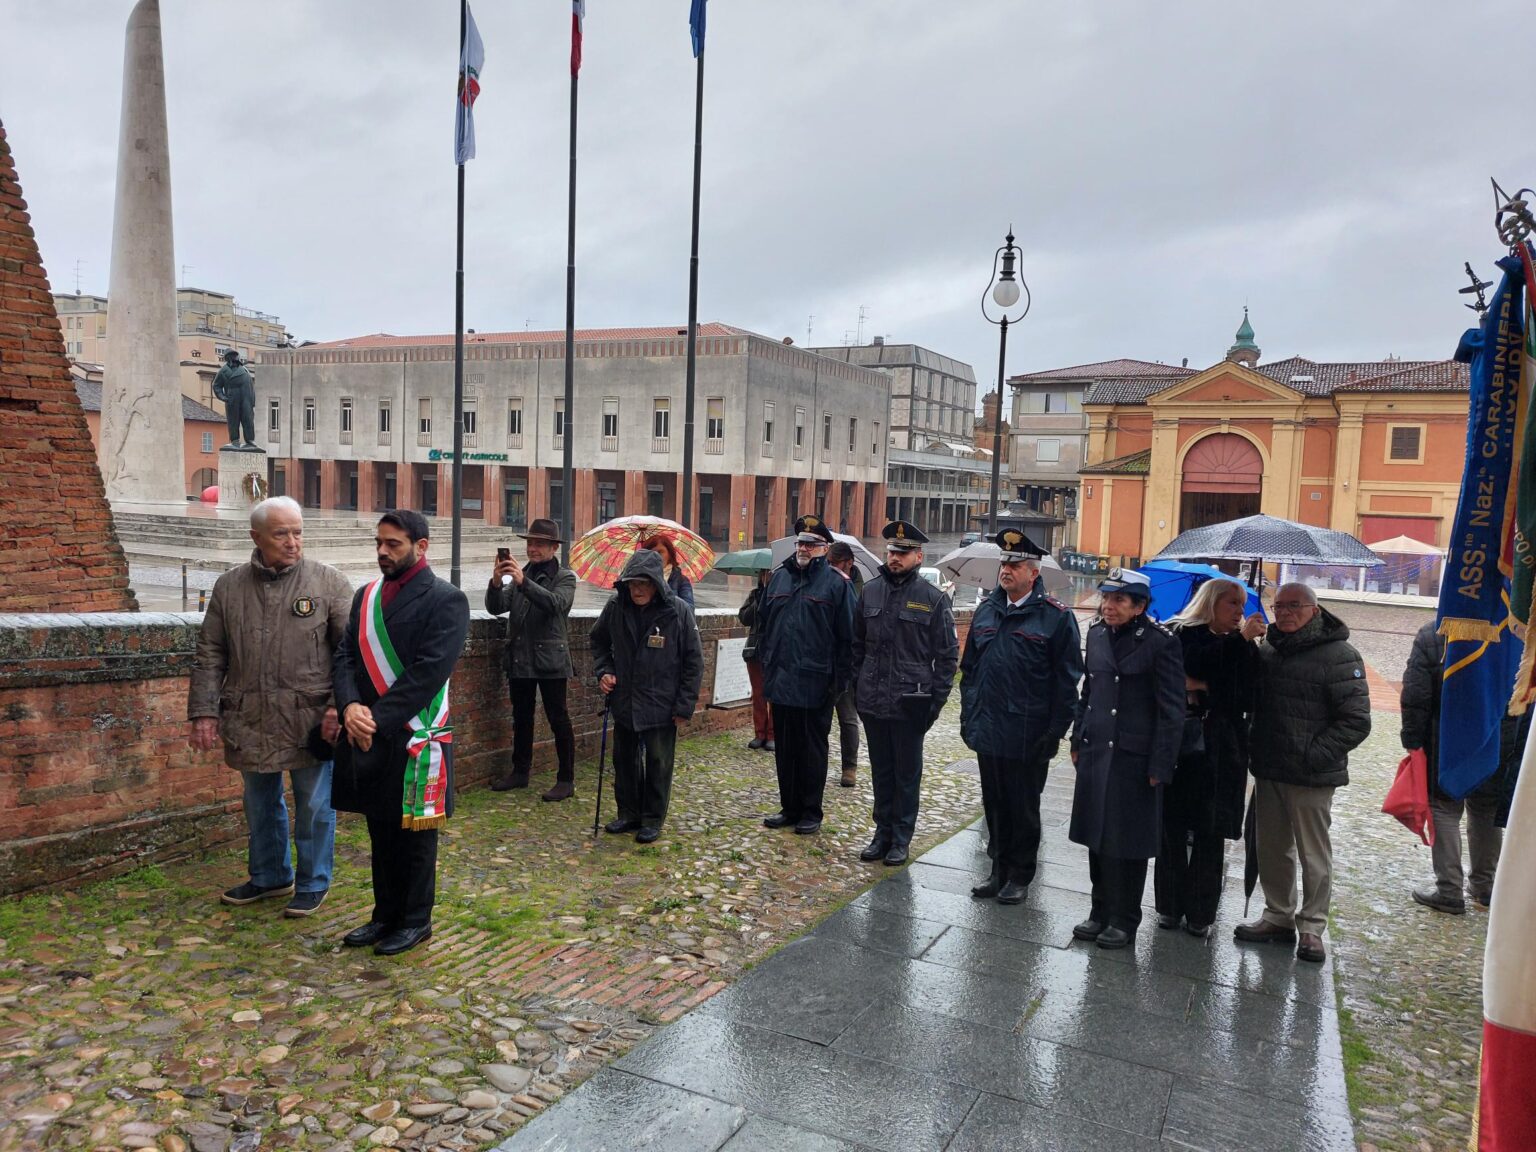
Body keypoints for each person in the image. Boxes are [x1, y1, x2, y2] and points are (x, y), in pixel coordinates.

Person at [187, 496, 353, 917]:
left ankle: (314, 881)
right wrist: (204, 712)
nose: (293, 542)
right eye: (281, 534)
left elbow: (349, 654)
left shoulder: (327, 583)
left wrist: (339, 707)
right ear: (256, 537)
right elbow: (210, 653)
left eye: (297, 532)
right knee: (259, 802)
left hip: (309, 718)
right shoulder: (229, 587)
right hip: (250, 715)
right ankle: (269, 876)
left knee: (314, 804)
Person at [333, 509, 470, 956]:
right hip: (366, 732)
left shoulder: (446, 599)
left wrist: (374, 718)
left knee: (414, 836)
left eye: (393, 544)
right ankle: (384, 914)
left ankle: (415, 920)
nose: (382, 552)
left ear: (421, 546)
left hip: (412, 734)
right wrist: (350, 705)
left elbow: (428, 672)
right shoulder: (365, 596)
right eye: (379, 543)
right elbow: (345, 656)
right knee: (380, 829)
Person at [1236, 583, 1370, 963]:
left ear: (1314, 609)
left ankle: (1311, 927)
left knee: (1313, 853)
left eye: (1294, 606)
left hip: (1311, 774)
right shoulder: (1269, 649)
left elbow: (1356, 722)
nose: (1286, 613)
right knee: (1271, 848)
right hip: (1269, 767)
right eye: (1280, 606)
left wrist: (1313, 755)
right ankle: (1277, 915)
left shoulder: (1341, 654)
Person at [959, 529, 1082, 903]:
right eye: (1004, 563)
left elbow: (1067, 681)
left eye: (1015, 564)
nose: (1006, 569)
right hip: (989, 727)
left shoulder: (1056, 618)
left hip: (1028, 731)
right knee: (994, 804)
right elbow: (971, 670)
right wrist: (969, 714)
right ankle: (997, 870)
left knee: (1023, 807)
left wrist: (1055, 731)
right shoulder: (988, 610)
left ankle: (1020, 874)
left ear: (1033, 572)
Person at [1069, 568, 1185, 949]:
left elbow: (1172, 708)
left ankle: (1124, 918)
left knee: (1128, 841)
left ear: (1139, 606)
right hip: (1097, 749)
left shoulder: (1160, 643)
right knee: (1096, 835)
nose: (1109, 606)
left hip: (1136, 757)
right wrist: (1077, 736)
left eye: (1119, 600)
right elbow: (1090, 690)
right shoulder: (1098, 633)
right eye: (1106, 598)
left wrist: (1161, 764)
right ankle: (1099, 910)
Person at [1154, 579, 1266, 937]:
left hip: (1222, 749)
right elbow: (1184, 671)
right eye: (1231, 603)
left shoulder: (1245, 646)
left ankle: (1201, 912)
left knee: (1210, 830)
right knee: (1171, 828)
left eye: (1242, 604)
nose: (1239, 612)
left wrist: (1204, 687)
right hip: (1183, 746)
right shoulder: (1182, 632)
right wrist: (1234, 649)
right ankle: (1168, 906)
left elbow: (1246, 695)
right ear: (1211, 603)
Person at [852, 520, 958, 866]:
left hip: (910, 702)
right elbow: (856, 645)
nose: (895, 557)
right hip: (872, 699)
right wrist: (857, 687)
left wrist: (934, 704)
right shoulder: (870, 591)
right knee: (881, 771)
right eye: (892, 551)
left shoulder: (932, 598)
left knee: (906, 775)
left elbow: (946, 658)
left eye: (903, 552)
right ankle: (881, 832)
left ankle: (901, 837)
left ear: (918, 556)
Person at [1401, 620, 1522, 913]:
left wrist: (1413, 740)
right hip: (1498, 738)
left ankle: (1449, 890)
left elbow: (1416, 694)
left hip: (1444, 738)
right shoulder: (1514, 636)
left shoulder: (1434, 633)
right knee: (1485, 810)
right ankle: (1485, 886)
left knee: (1444, 808)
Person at [591, 549, 704, 842]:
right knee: (624, 760)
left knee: (658, 761)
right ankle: (628, 813)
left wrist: (684, 704)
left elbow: (694, 661)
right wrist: (604, 670)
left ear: (656, 583)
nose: (637, 589)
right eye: (632, 583)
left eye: (643, 582)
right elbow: (598, 641)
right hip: (626, 698)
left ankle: (652, 818)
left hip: (662, 701)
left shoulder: (678, 611)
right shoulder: (616, 607)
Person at [757, 514, 856, 835]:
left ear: (824, 549)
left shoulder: (836, 584)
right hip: (782, 679)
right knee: (785, 749)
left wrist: (838, 684)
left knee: (812, 750)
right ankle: (789, 807)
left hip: (817, 683)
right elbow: (764, 626)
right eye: (800, 542)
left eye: (811, 544)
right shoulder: (779, 579)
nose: (803, 548)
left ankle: (811, 810)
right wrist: (768, 666)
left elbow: (849, 639)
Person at [485, 518, 578, 800]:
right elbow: (496, 607)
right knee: (521, 717)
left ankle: (566, 779)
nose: (533, 548)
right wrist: (495, 582)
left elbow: (555, 605)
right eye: (530, 543)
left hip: (551, 659)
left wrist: (524, 582)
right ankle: (520, 772)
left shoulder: (565, 577)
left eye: (539, 544)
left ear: (553, 548)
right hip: (521, 657)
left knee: (558, 718)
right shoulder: (520, 575)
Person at [827, 540, 864, 787]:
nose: (829, 568)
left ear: (848, 563)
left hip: (847, 662)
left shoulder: (859, 589)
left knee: (848, 718)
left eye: (833, 564)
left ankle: (849, 766)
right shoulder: (825, 583)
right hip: (824, 660)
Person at [738, 568, 775, 751]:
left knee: (773, 694)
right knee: (758, 693)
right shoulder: (755, 595)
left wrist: (770, 595)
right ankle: (759, 733)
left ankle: (772, 734)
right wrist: (760, 600)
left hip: (775, 651)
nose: (766, 576)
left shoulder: (781, 595)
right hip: (755, 650)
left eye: (770, 573)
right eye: (764, 573)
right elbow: (744, 618)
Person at [211, 348, 258, 450]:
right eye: (231, 355)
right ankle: (234, 440)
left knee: (248, 419)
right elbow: (216, 386)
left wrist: (252, 401)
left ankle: (250, 440)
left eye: (235, 355)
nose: (234, 357)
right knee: (233, 420)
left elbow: (251, 386)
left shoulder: (245, 370)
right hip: (233, 398)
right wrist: (223, 397)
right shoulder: (223, 371)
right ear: (227, 358)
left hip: (246, 398)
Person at [643, 535, 695, 608]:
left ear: (669, 554)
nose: (655, 556)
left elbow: (688, 611)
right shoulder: (637, 579)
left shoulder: (681, 581)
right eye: (651, 553)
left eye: (660, 552)